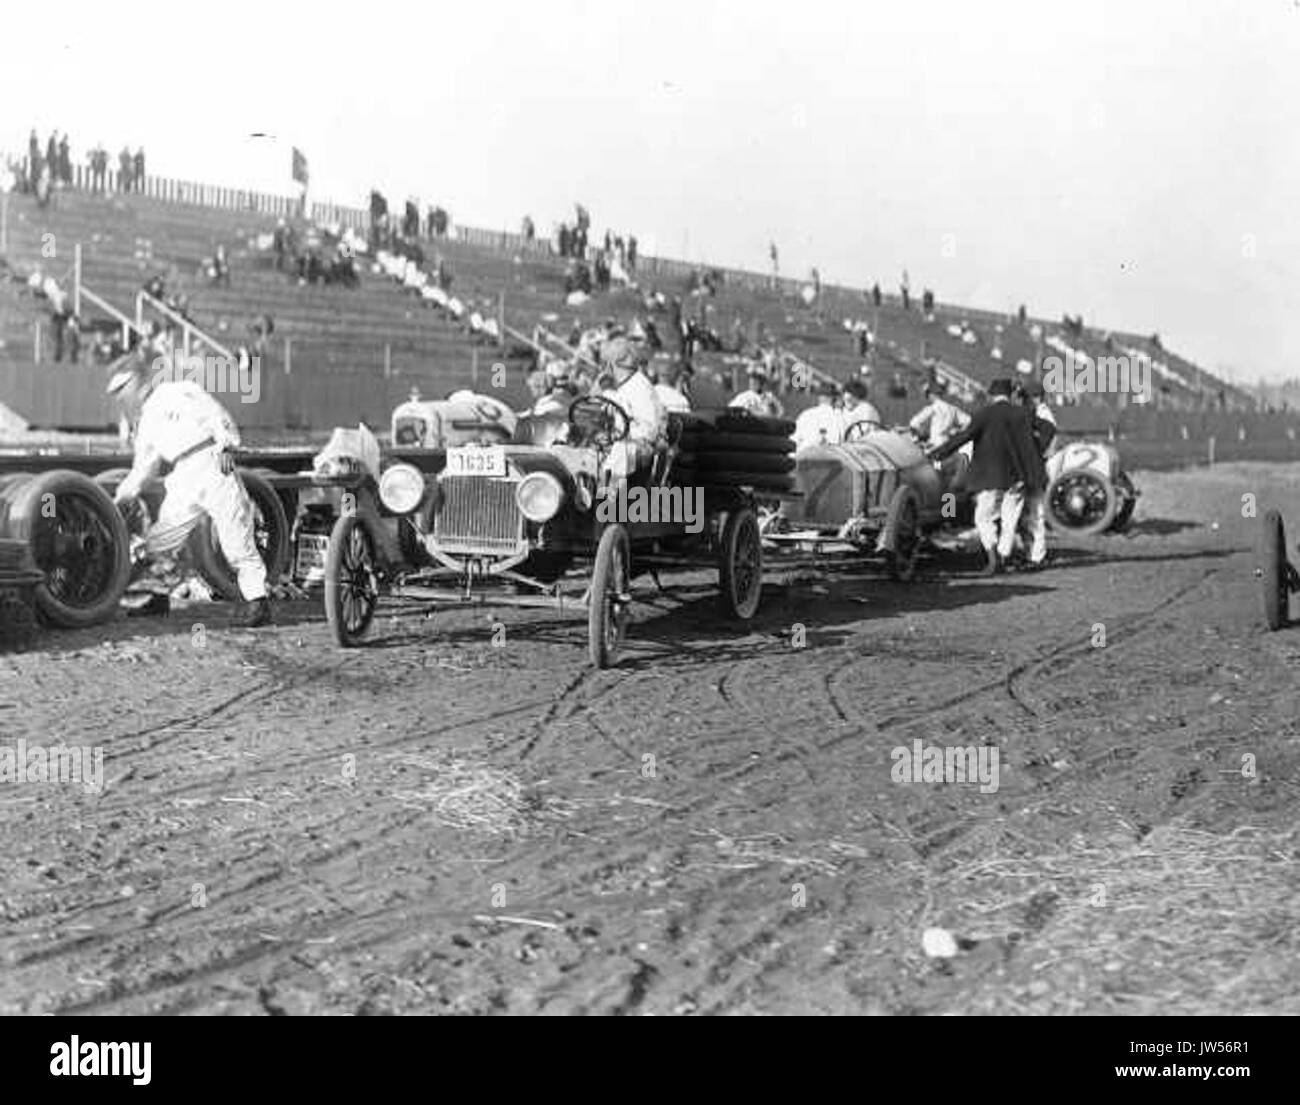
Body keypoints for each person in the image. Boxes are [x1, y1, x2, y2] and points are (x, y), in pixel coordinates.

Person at [107, 362, 272, 626]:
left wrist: (228, 445)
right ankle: (159, 596)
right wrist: (121, 497)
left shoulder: (180, 390)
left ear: (138, 383)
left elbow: (216, 413)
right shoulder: (145, 423)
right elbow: (144, 468)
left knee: (234, 534)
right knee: (162, 538)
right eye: (117, 393)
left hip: (212, 460)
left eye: (124, 388)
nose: (122, 397)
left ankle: (257, 601)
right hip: (183, 472)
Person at [931, 378, 1046, 576]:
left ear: (992, 395)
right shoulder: (1022, 413)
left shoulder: (985, 413)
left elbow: (963, 437)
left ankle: (993, 555)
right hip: (1017, 475)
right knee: (1010, 519)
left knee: (983, 517)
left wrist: (937, 453)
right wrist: (1035, 450)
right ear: (1010, 394)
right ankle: (1003, 555)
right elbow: (1048, 429)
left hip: (990, 475)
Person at [602, 337, 666, 472]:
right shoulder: (623, 387)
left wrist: (619, 435)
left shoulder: (640, 387)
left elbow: (649, 432)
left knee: (619, 453)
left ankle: (607, 492)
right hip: (622, 442)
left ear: (612, 364)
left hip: (640, 447)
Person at [1013, 378, 1057, 569]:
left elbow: (1048, 442)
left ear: (1035, 397)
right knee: (1028, 515)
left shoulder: (1042, 413)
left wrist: (1034, 454)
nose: (1023, 400)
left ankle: (1037, 556)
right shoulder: (1037, 412)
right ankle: (1031, 552)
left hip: (1038, 469)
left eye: (1026, 397)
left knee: (1034, 514)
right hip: (1035, 468)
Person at [909, 378, 970, 450]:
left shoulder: (933, 408)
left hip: (933, 446)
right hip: (947, 445)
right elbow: (968, 421)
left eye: (927, 395)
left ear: (932, 394)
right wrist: (954, 432)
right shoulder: (953, 409)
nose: (928, 397)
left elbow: (914, 423)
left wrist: (916, 435)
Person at [792, 381, 844, 450]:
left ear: (819, 397)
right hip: (829, 455)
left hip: (804, 454)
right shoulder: (840, 416)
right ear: (834, 398)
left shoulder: (806, 414)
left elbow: (795, 439)